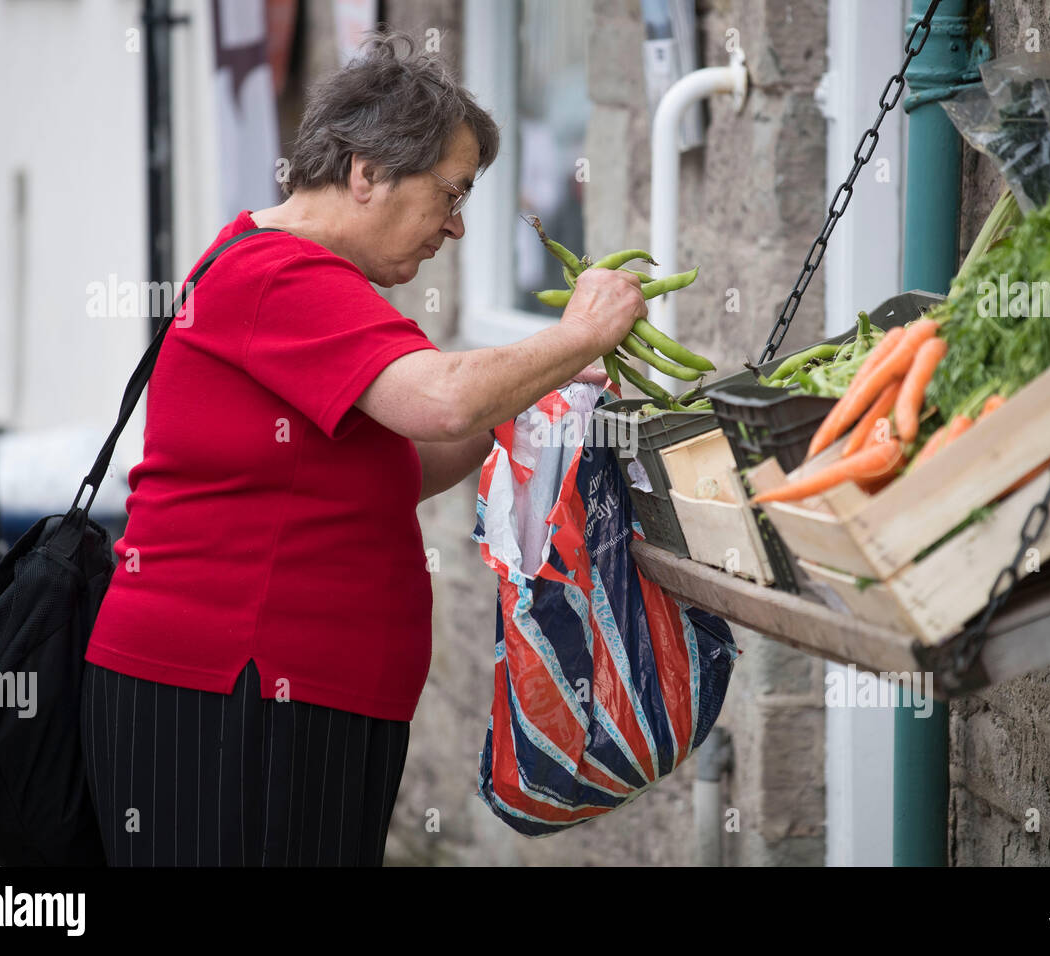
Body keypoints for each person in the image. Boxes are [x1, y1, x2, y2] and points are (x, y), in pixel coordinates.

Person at [79, 31, 646, 866]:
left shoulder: (306, 279)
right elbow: (443, 402)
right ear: (365, 172)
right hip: (232, 693)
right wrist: (578, 334)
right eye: (449, 195)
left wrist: (532, 398)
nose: (455, 228)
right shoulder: (281, 275)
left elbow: (401, 467)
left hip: (280, 697)